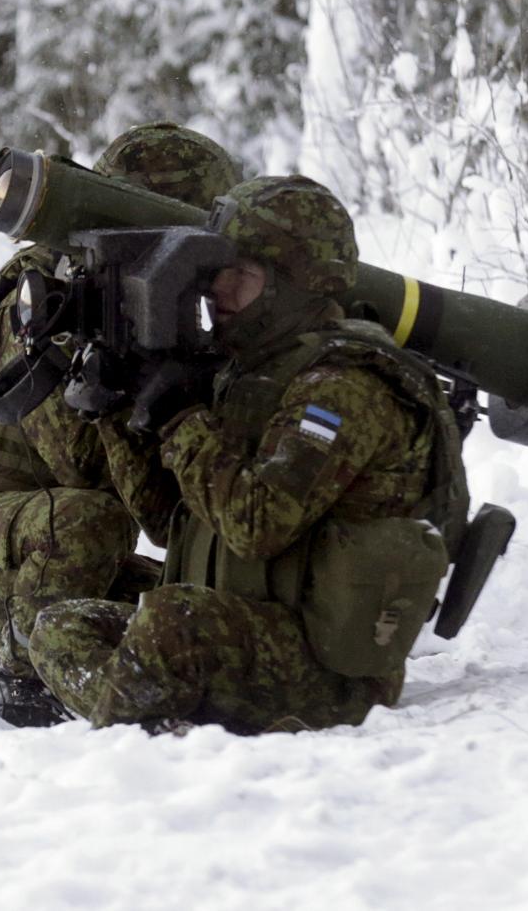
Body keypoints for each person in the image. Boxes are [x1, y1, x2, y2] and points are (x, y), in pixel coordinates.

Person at [26, 175, 470, 734]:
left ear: (297, 285)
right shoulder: (251, 371)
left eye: (244, 274)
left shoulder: (343, 388)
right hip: (247, 621)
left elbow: (255, 524)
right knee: (62, 625)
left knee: (170, 623)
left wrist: (181, 420)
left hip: (327, 667)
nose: (219, 289)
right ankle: (142, 715)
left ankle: (134, 736)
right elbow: (171, 523)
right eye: (218, 270)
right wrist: (119, 411)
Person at [0, 123, 241, 725]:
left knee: (205, 611)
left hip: (73, 546)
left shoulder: (143, 296)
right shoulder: (45, 298)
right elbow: (85, 467)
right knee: (86, 520)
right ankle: (24, 672)